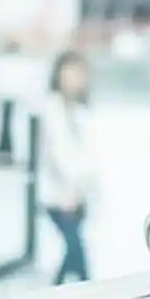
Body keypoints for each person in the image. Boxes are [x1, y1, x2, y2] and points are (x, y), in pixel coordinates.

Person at [38, 51, 97, 285]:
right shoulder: (51, 109)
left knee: (73, 253)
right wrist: (71, 187)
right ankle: (89, 297)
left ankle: (57, 295)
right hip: (59, 195)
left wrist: (84, 187)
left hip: (80, 193)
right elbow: (57, 154)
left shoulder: (81, 110)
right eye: (68, 73)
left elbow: (91, 155)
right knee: (77, 252)